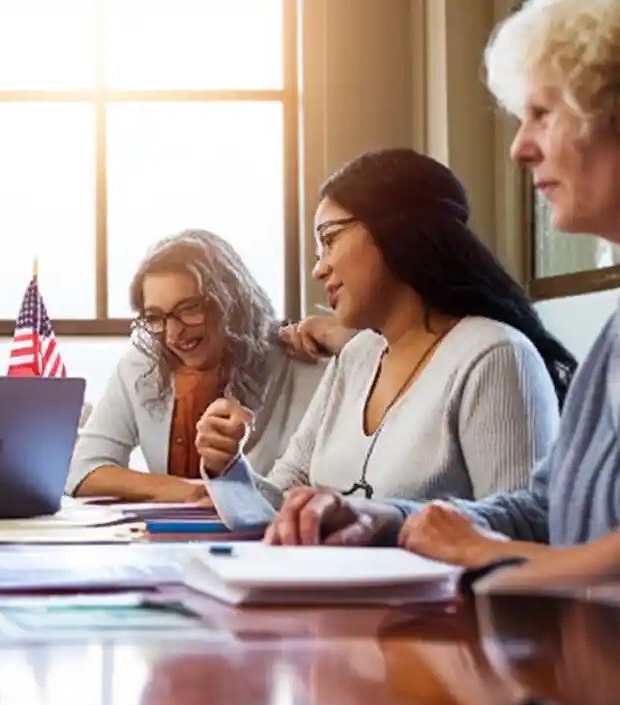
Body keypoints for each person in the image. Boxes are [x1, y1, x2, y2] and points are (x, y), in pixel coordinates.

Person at [266, 0, 620, 577]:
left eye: (542, 113)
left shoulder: (492, 352)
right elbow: (544, 512)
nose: (519, 147)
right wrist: (386, 519)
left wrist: (494, 559)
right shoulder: (614, 337)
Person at [210, 148, 573, 511]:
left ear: (394, 230)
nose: (318, 269)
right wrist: (227, 466)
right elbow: (279, 501)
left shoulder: (493, 354)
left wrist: (372, 520)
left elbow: (522, 531)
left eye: (329, 240)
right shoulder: (357, 356)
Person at [67, 230, 327, 502]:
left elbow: (299, 491)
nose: (172, 334)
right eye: (155, 317)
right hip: (169, 540)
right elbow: (83, 470)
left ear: (232, 303)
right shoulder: (142, 364)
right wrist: (188, 490)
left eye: (189, 309)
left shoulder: (299, 363)